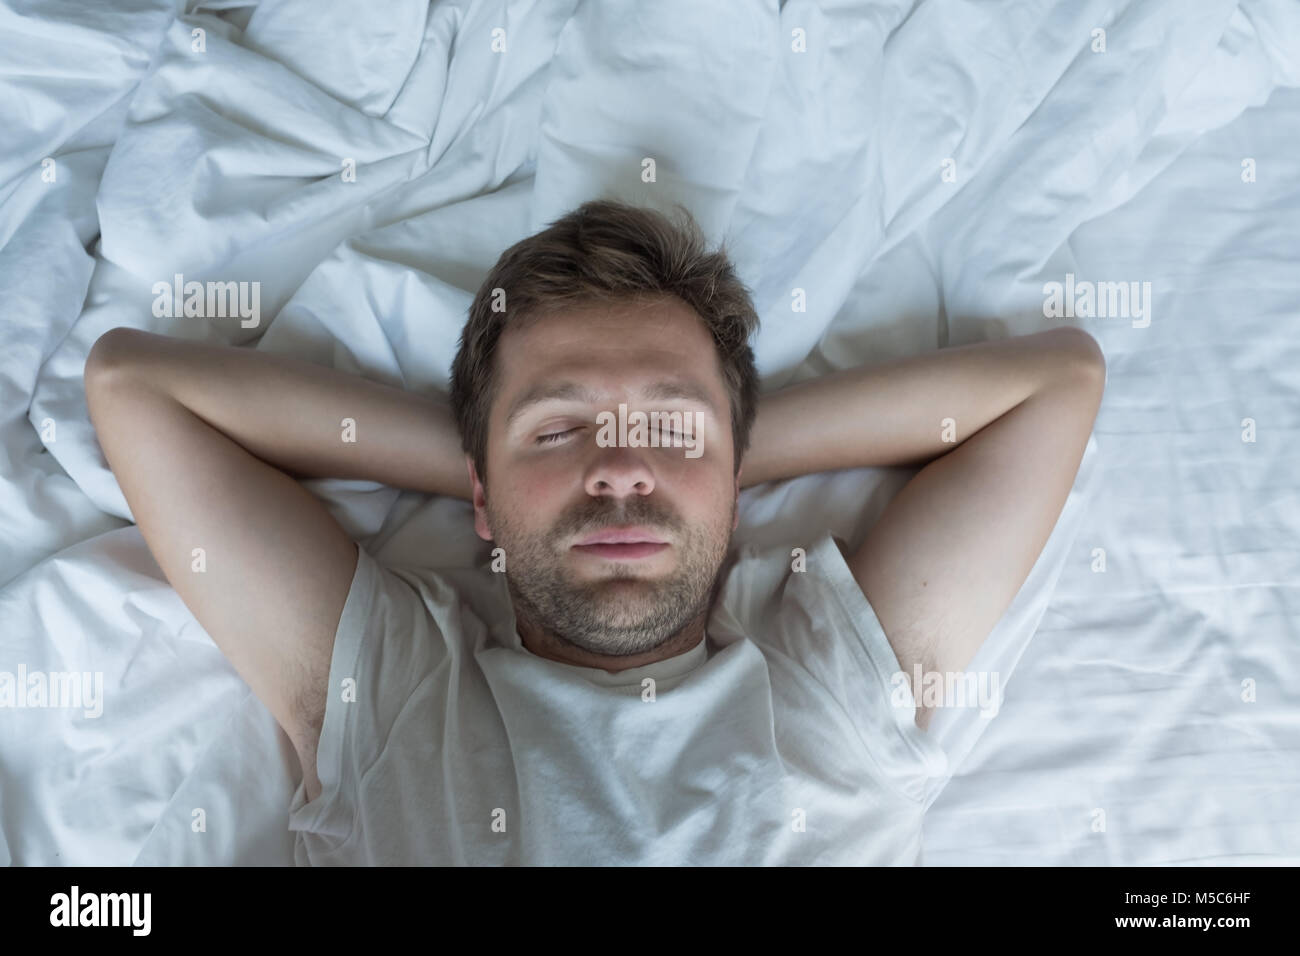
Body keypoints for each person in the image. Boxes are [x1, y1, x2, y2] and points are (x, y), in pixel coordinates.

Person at [84, 199, 1104, 865]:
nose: (619, 467)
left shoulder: (823, 698)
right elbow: (136, 388)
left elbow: (1056, 387)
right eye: (562, 426)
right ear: (479, 497)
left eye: (667, 427)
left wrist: (657, 454)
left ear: (737, 485)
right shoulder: (394, 692)